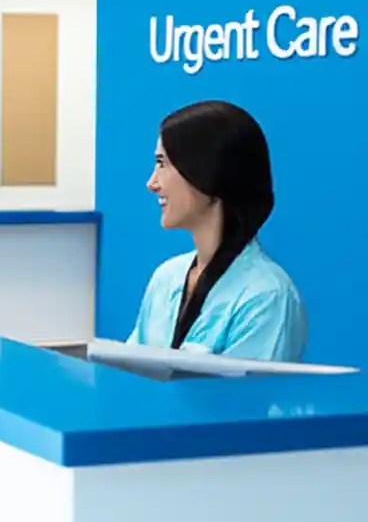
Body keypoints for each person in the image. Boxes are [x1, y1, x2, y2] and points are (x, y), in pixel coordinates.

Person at [127, 100, 307, 361]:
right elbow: (133, 376)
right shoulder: (165, 279)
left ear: (205, 170)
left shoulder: (267, 297)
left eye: (162, 163)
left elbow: (246, 399)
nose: (152, 183)